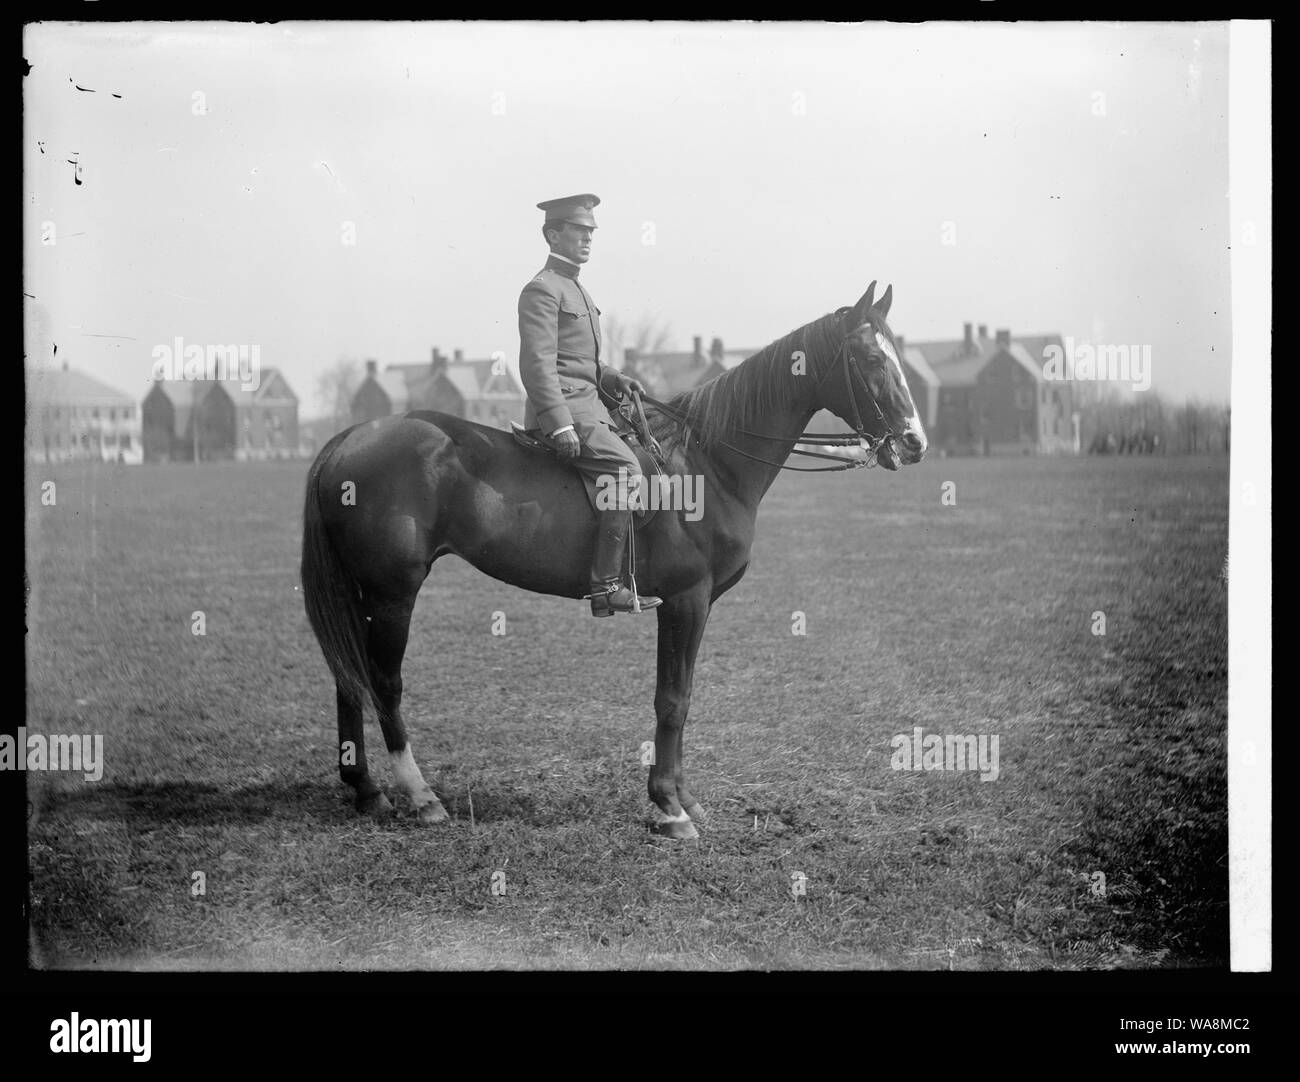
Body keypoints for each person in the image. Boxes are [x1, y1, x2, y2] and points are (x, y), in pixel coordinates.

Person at [517, 193, 662, 617]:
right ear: (552, 234)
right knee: (624, 468)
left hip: (591, 407)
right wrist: (558, 424)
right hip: (567, 410)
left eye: (590, 232)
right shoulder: (542, 290)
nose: (587, 239)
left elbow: (583, 363)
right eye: (578, 231)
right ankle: (606, 586)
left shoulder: (576, 289)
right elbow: (538, 365)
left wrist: (613, 377)